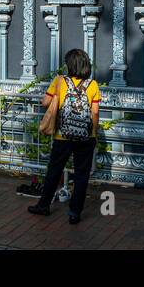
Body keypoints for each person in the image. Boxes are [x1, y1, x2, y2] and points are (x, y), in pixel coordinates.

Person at [28, 48, 102, 224]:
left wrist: (53, 99)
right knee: (81, 175)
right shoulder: (93, 85)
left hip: (63, 137)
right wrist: (94, 134)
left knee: (54, 170)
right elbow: (95, 113)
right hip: (86, 137)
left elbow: (45, 102)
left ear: (69, 65)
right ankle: (75, 213)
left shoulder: (60, 81)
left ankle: (44, 205)